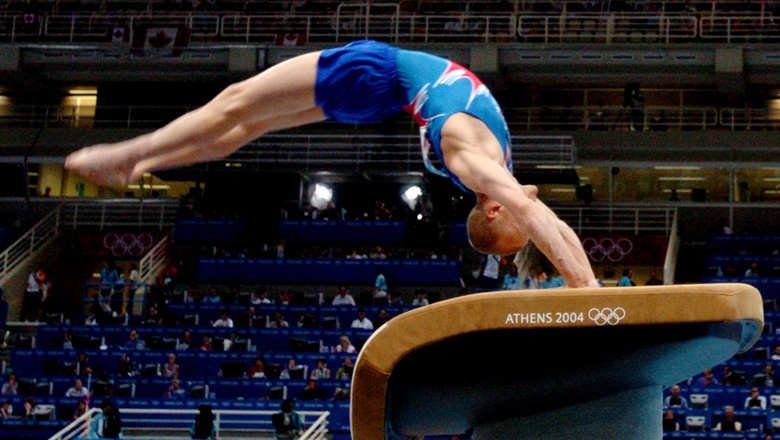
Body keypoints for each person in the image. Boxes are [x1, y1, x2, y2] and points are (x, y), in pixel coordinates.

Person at [64, 40, 598, 288]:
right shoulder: (492, 168)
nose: (532, 203)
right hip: (380, 98)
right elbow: (541, 218)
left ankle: (128, 154)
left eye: (519, 218)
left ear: (497, 209)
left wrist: (589, 293)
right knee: (246, 128)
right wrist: (589, 288)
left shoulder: (473, 163)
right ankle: (139, 166)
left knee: (236, 104)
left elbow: (540, 219)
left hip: (376, 74)